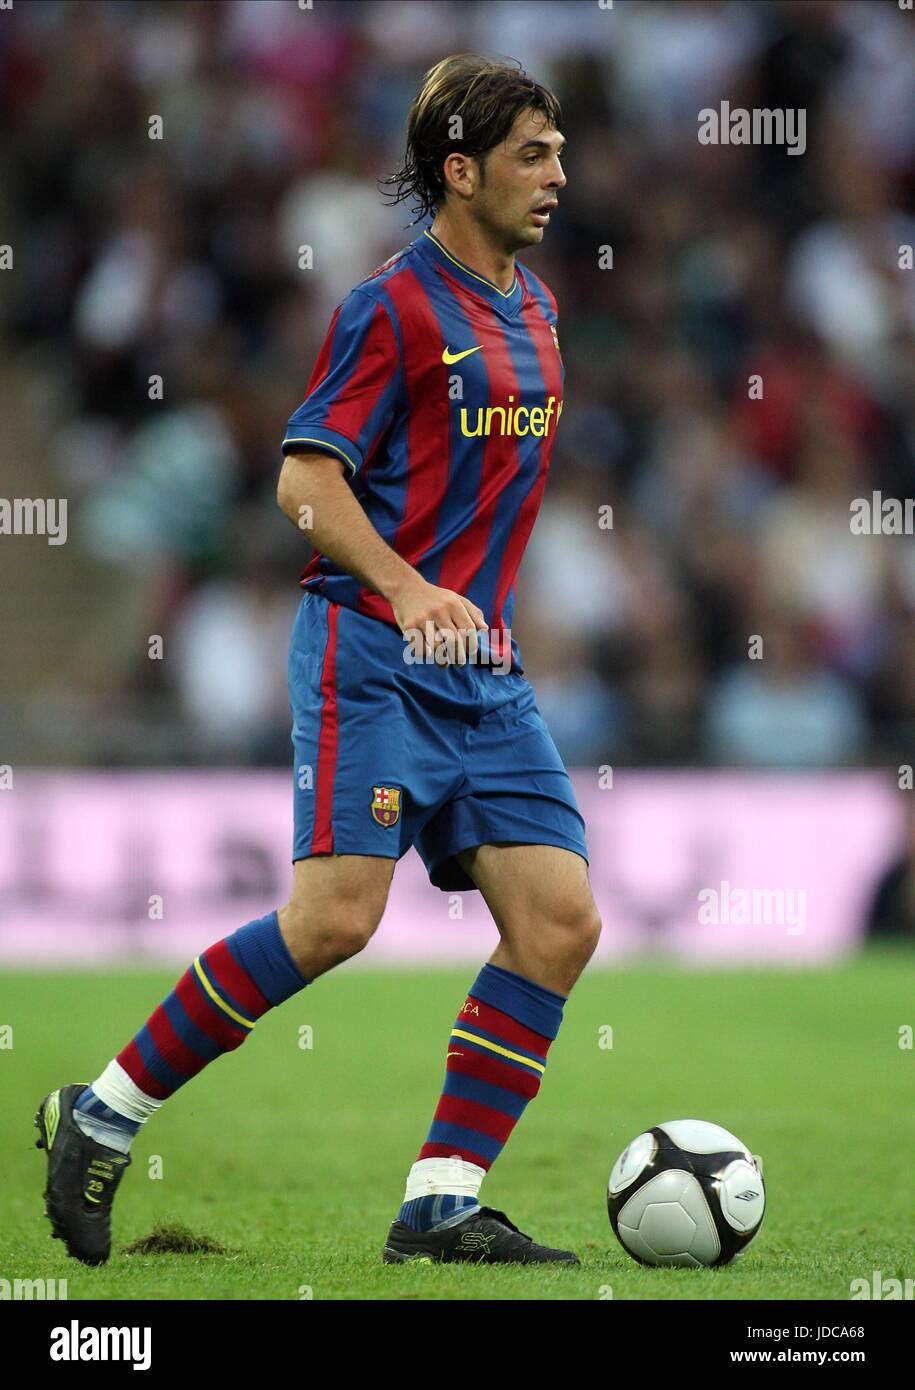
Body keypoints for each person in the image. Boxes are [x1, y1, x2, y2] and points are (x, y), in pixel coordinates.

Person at [36, 53, 601, 1268]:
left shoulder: (540, 311)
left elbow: (484, 499)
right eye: (533, 154)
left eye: (559, 151)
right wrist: (409, 589)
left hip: (484, 673)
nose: (561, 175)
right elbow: (304, 479)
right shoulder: (389, 308)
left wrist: (484, 606)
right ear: (461, 170)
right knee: (337, 918)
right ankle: (105, 1110)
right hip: (371, 647)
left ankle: (442, 1203)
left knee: (558, 921)